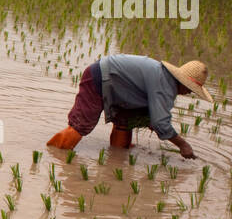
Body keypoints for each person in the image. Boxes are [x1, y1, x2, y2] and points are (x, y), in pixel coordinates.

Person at [47, 55, 212, 158]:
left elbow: (154, 117)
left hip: (120, 87)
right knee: (81, 126)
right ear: (183, 83)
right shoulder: (165, 85)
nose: (190, 93)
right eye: (191, 89)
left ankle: (116, 159)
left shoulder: (165, 80)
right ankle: (53, 155)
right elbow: (160, 122)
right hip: (100, 77)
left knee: (125, 123)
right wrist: (183, 145)